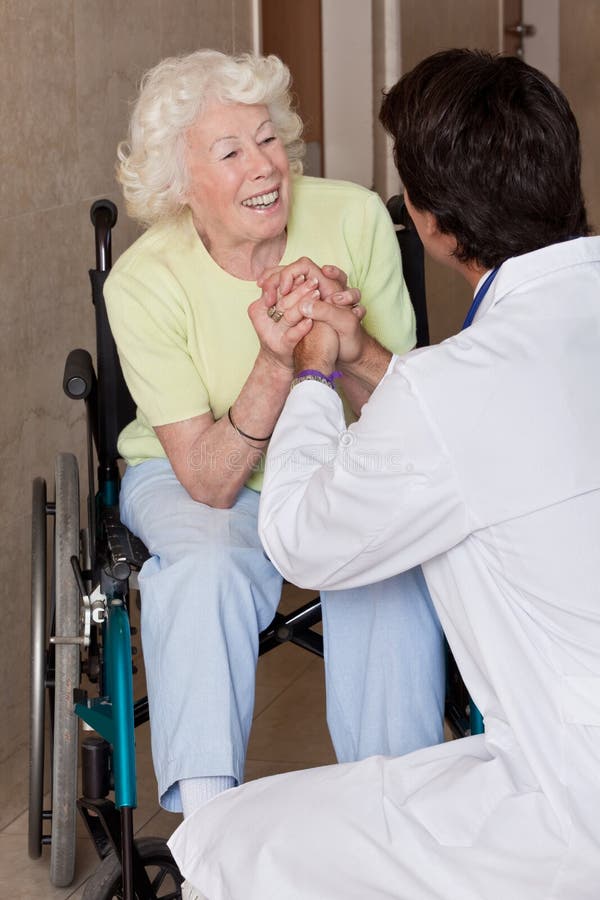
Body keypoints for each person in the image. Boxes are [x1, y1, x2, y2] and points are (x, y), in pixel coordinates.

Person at [167, 49, 600, 900]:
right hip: (562, 756)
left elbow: (300, 540)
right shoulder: (475, 376)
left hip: (573, 800)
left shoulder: (450, 390)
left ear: (430, 224)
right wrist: (362, 353)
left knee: (228, 844)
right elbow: (478, 424)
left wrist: (313, 371)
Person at [104, 48, 445, 831]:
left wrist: (346, 342)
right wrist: (276, 361)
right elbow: (210, 481)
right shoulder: (144, 281)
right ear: (181, 184)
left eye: (267, 139)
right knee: (205, 568)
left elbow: (410, 415)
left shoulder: (355, 216)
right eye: (230, 152)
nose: (264, 166)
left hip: (346, 457)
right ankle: (208, 835)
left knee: (384, 570)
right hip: (193, 474)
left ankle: (397, 821)